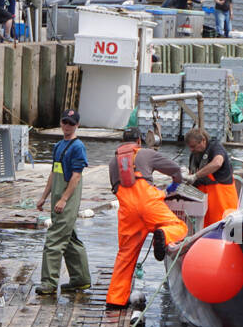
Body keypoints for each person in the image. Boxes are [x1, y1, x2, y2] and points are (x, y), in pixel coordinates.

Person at [106, 128, 187, 310]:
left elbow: (115, 187)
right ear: (139, 141)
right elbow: (174, 169)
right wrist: (175, 183)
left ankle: (115, 300)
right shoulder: (145, 153)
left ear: (122, 141)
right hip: (149, 205)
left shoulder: (113, 162)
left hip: (127, 212)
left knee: (125, 255)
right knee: (178, 226)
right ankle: (163, 235)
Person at [35, 109, 92, 296]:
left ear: (77, 125)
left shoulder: (78, 147)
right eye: (65, 122)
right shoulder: (58, 146)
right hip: (56, 198)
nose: (67, 126)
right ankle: (80, 280)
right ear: (61, 123)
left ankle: (49, 283)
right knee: (69, 239)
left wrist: (64, 199)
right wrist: (44, 196)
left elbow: (76, 177)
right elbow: (53, 173)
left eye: (71, 123)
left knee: (54, 240)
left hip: (66, 200)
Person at [183, 127, 238, 228]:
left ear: (203, 140)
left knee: (222, 227)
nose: (191, 149)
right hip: (204, 205)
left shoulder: (215, 148)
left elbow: (217, 163)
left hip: (222, 200)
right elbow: (191, 175)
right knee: (205, 230)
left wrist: (196, 176)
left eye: (194, 146)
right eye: (190, 147)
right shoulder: (194, 155)